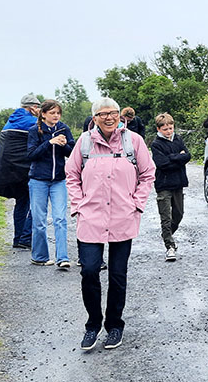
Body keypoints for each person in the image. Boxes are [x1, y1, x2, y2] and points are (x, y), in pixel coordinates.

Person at [66, 97, 155, 351]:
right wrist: (78, 205)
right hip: (91, 218)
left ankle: (115, 325)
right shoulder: (84, 143)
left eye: (113, 113)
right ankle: (93, 325)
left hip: (122, 217)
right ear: (94, 118)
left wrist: (137, 203)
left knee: (117, 275)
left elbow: (148, 173)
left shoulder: (133, 141)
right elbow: (71, 174)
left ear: (120, 116)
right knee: (90, 271)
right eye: (103, 114)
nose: (109, 117)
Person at [26, 99, 75, 268]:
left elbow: (72, 153)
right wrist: (49, 143)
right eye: (52, 113)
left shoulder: (64, 129)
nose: (56, 116)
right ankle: (39, 256)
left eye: (58, 113)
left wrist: (63, 145)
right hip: (38, 180)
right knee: (39, 220)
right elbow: (31, 155)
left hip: (58, 180)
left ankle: (62, 258)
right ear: (44, 114)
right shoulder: (34, 131)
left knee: (60, 219)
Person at [0, 94, 40, 249]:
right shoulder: (32, 122)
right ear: (32, 108)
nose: (39, 110)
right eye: (38, 107)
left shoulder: (11, 119)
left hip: (8, 170)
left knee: (21, 202)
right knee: (37, 203)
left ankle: (18, 238)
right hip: (24, 169)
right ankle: (25, 238)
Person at [151, 113, 191, 262]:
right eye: (165, 129)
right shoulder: (156, 144)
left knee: (179, 214)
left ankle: (166, 234)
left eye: (170, 128)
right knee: (166, 217)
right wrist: (178, 157)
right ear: (159, 129)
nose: (168, 131)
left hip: (178, 183)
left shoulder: (178, 139)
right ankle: (170, 246)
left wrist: (175, 157)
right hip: (163, 184)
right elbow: (162, 164)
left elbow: (188, 156)